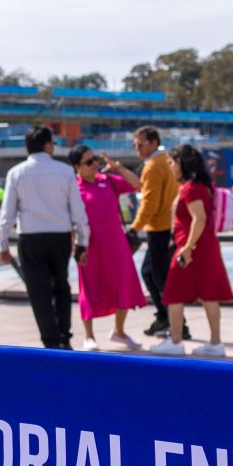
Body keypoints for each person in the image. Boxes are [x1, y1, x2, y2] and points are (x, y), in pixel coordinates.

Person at [0, 126, 89, 349]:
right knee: (61, 287)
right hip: (60, 235)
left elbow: (7, 213)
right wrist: (82, 241)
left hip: (30, 237)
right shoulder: (65, 171)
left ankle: (50, 340)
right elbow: (78, 210)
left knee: (38, 292)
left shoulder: (16, 173)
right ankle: (64, 336)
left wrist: (2, 243)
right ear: (48, 145)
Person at [151, 144, 233, 358]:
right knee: (208, 295)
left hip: (192, 250)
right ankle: (215, 343)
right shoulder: (200, 186)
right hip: (203, 247)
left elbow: (200, 218)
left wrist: (186, 248)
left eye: (171, 162)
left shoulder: (190, 188)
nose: (169, 166)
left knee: (173, 293)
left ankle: (176, 342)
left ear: (179, 163)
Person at [66, 146, 147, 348]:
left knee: (123, 285)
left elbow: (138, 185)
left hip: (117, 244)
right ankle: (89, 336)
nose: (94, 164)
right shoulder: (73, 189)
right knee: (89, 287)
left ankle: (119, 332)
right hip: (90, 246)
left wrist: (117, 167)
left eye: (95, 160)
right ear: (77, 167)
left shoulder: (108, 180)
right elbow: (69, 222)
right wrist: (75, 248)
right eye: (88, 162)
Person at [130, 127, 179, 338]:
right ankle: (167, 318)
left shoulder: (152, 167)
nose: (137, 148)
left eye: (140, 144)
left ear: (152, 143)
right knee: (153, 274)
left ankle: (173, 322)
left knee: (158, 277)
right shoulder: (167, 162)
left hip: (158, 229)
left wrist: (134, 228)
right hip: (167, 227)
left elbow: (150, 204)